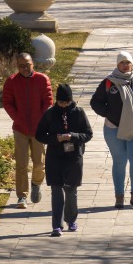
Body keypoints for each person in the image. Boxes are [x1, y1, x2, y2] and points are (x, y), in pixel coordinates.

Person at [90, 51, 133, 209]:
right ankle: (119, 195)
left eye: (127, 62)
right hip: (113, 128)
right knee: (120, 161)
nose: (125, 65)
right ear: (117, 64)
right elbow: (95, 102)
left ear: (132, 64)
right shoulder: (108, 82)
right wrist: (108, 113)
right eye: (122, 62)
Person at [35, 83, 93, 237]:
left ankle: (71, 219)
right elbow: (40, 134)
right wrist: (56, 138)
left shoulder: (79, 113)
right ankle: (56, 225)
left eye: (66, 102)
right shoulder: (50, 114)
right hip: (55, 157)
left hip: (73, 157)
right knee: (56, 190)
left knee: (71, 190)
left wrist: (72, 136)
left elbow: (88, 134)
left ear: (71, 100)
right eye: (61, 102)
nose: (64, 105)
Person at [2, 52, 54, 208]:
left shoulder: (42, 79)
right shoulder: (11, 81)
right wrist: (17, 118)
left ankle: (36, 184)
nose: (25, 68)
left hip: (39, 129)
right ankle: (22, 196)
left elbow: (48, 100)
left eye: (27, 65)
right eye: (21, 66)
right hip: (20, 129)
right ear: (17, 67)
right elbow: (7, 102)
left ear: (33, 64)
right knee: (21, 164)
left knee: (39, 163)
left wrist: (43, 120)